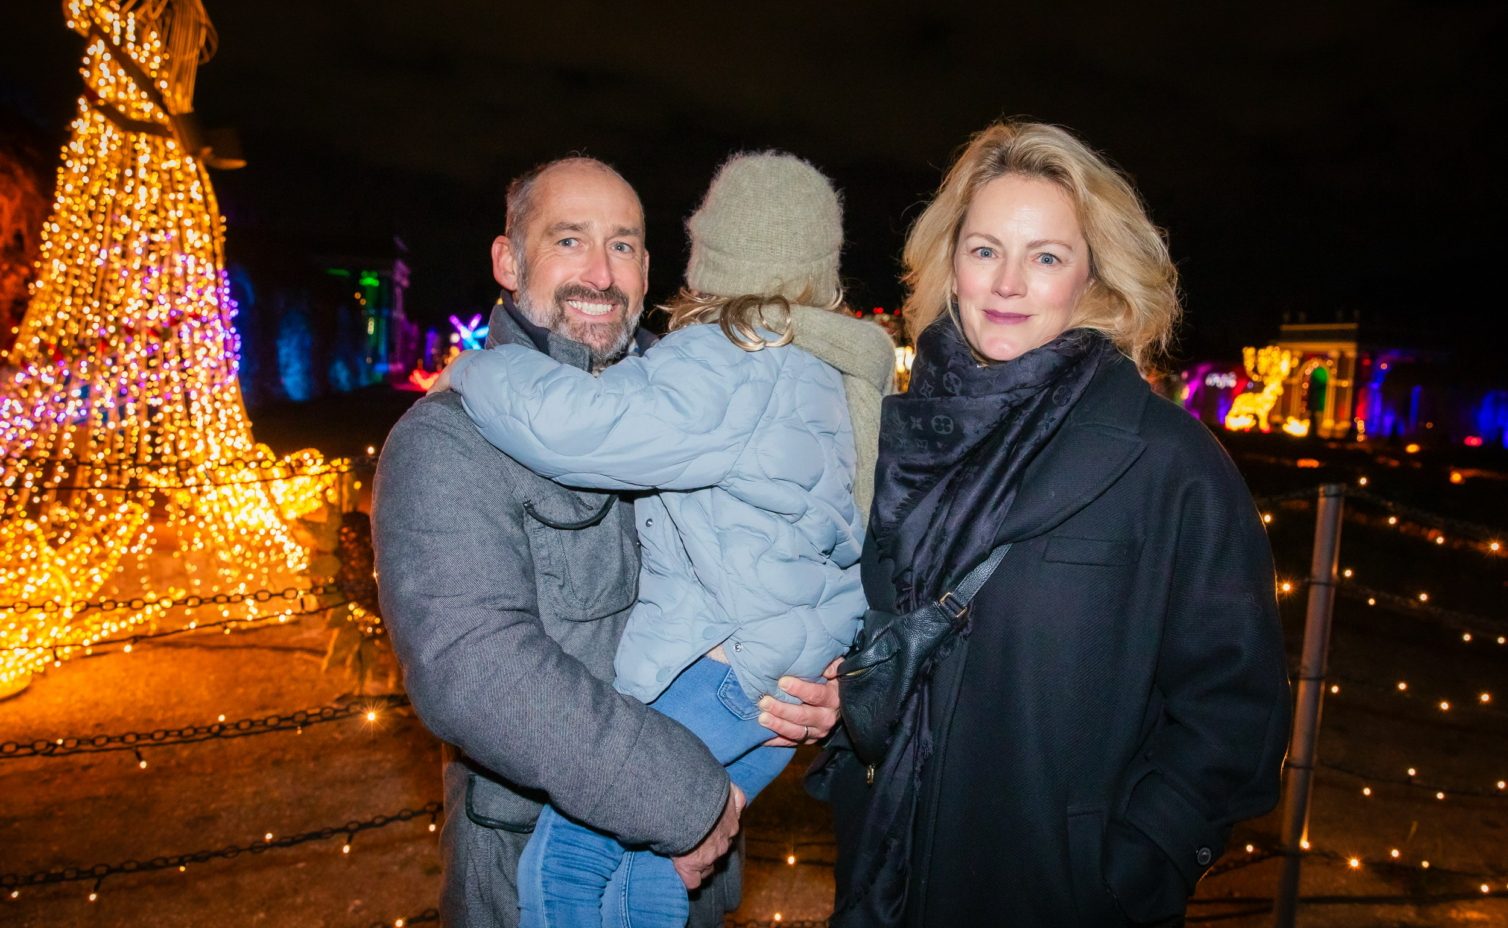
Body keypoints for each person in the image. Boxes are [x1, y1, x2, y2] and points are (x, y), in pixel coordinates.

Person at [822, 121, 1291, 927]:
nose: (1008, 283)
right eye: (984, 250)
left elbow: (1235, 712)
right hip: (884, 877)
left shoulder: (1164, 460)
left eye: (1045, 256)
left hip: (1054, 893)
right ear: (951, 265)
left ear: (1092, 279)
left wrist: (1129, 867)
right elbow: (872, 632)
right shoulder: (897, 437)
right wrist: (836, 718)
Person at [372, 156, 841, 928]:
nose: (601, 273)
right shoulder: (449, 436)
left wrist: (819, 688)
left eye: (623, 245)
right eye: (568, 241)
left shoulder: (708, 394)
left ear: (650, 265)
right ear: (507, 259)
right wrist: (684, 800)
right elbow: (476, 665)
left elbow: (807, 533)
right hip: (535, 876)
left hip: (700, 877)